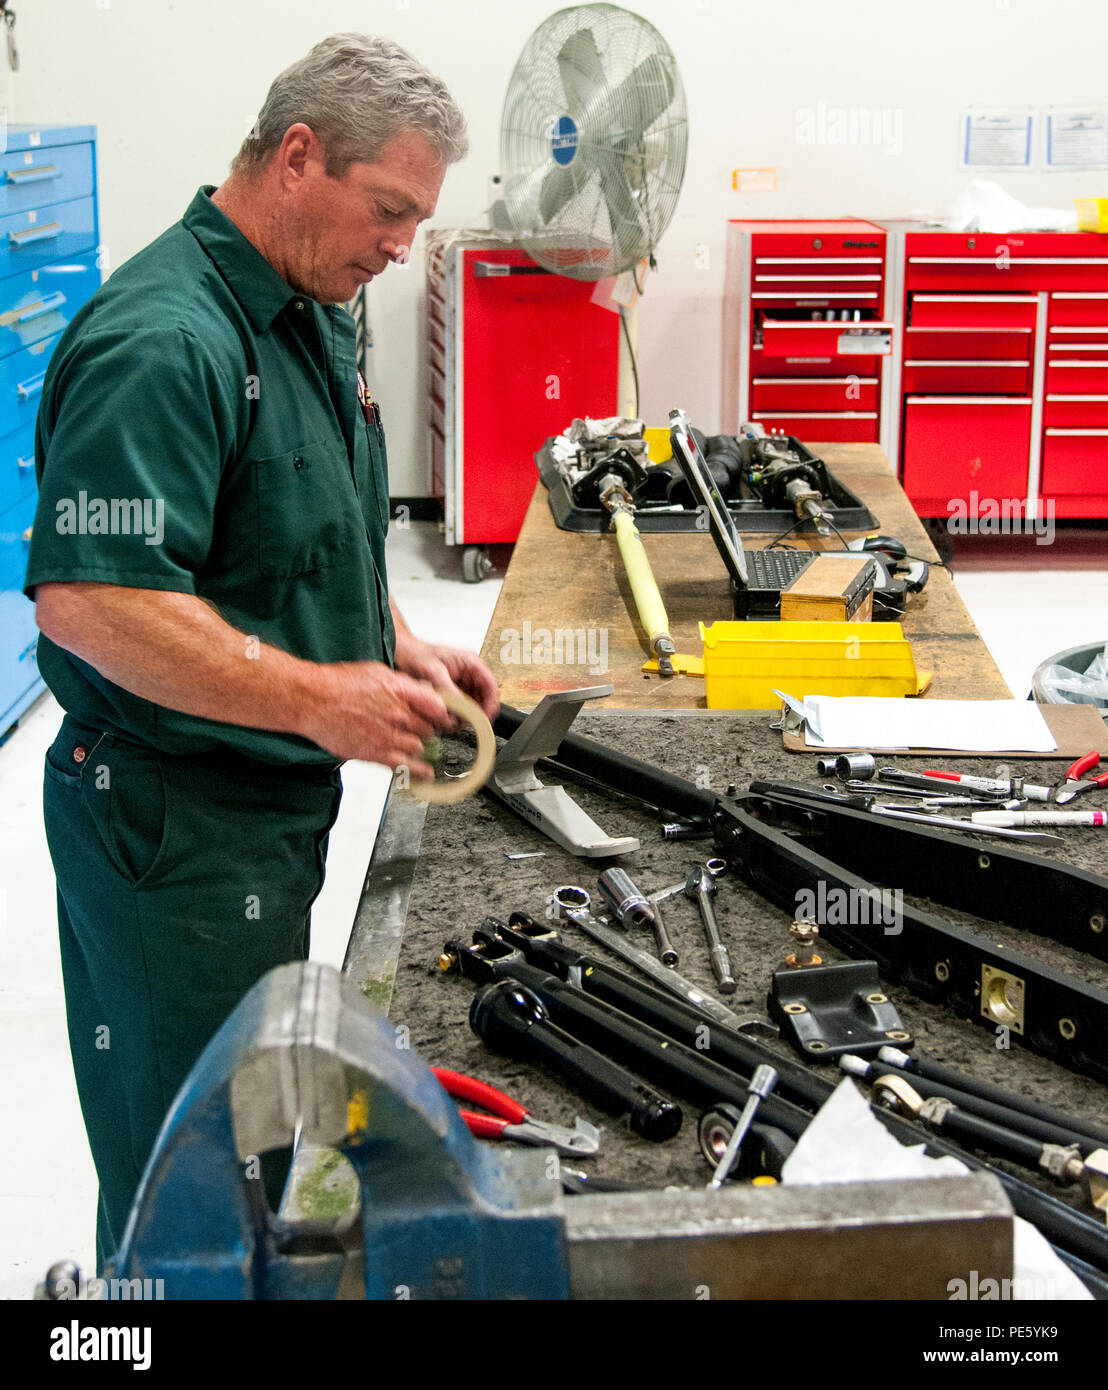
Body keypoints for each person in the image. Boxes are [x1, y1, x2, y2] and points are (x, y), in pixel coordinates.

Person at [24, 33, 498, 1271]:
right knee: (182, 1175)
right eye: (388, 208)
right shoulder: (164, 341)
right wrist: (312, 696)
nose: (402, 244)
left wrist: (394, 650)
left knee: (258, 1143)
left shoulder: (315, 311)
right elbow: (88, 600)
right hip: (173, 830)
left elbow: (301, 535)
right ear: (299, 156)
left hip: (268, 810)